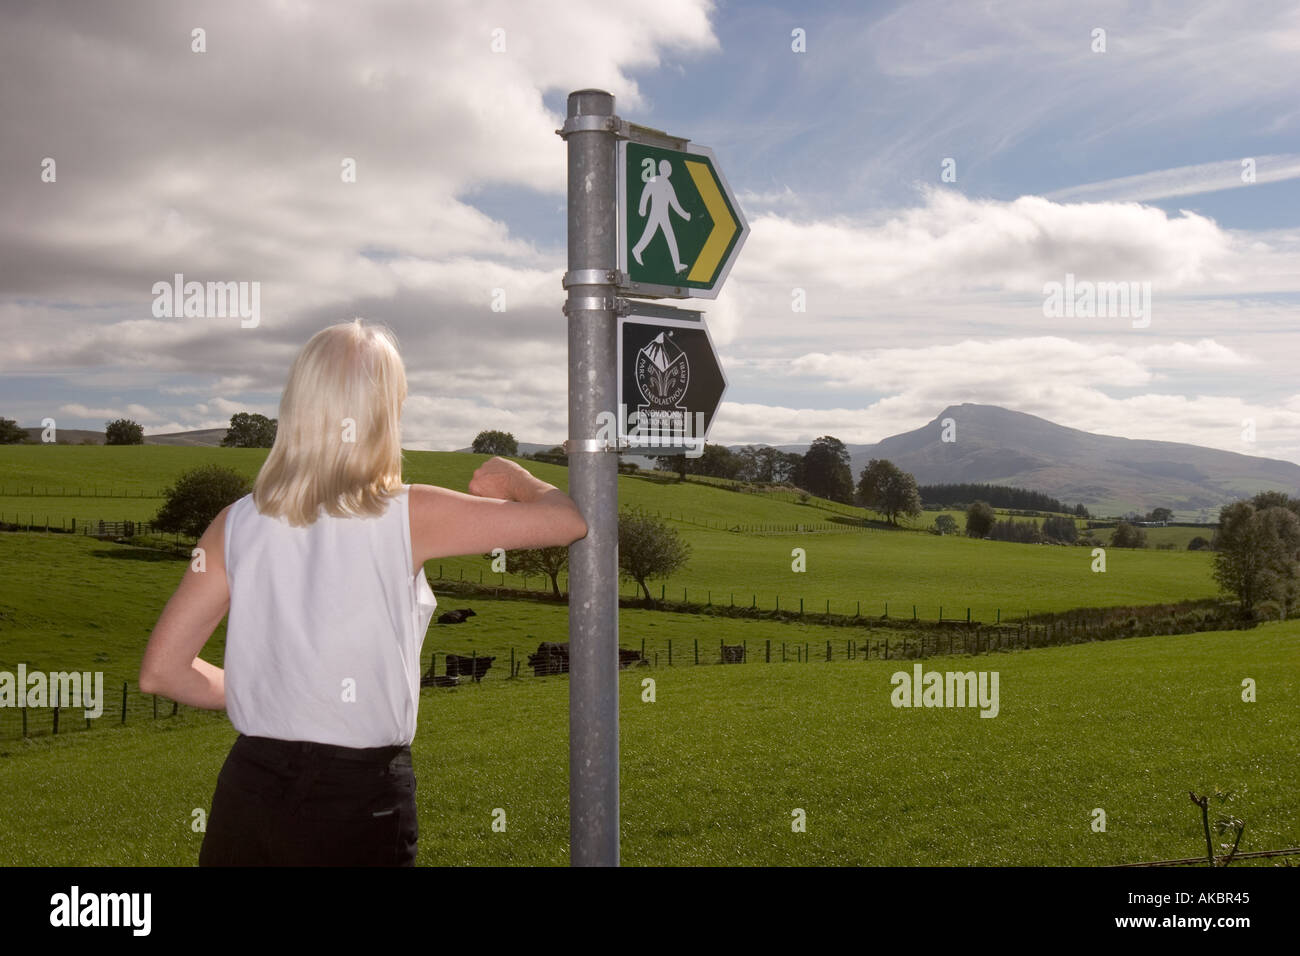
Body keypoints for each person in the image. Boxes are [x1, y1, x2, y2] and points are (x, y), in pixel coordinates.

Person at [138, 319, 588, 865]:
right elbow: (566, 522)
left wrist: (280, 698)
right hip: (358, 800)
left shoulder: (232, 523)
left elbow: (162, 671)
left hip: (248, 791)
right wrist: (513, 477)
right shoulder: (409, 512)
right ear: (386, 411)